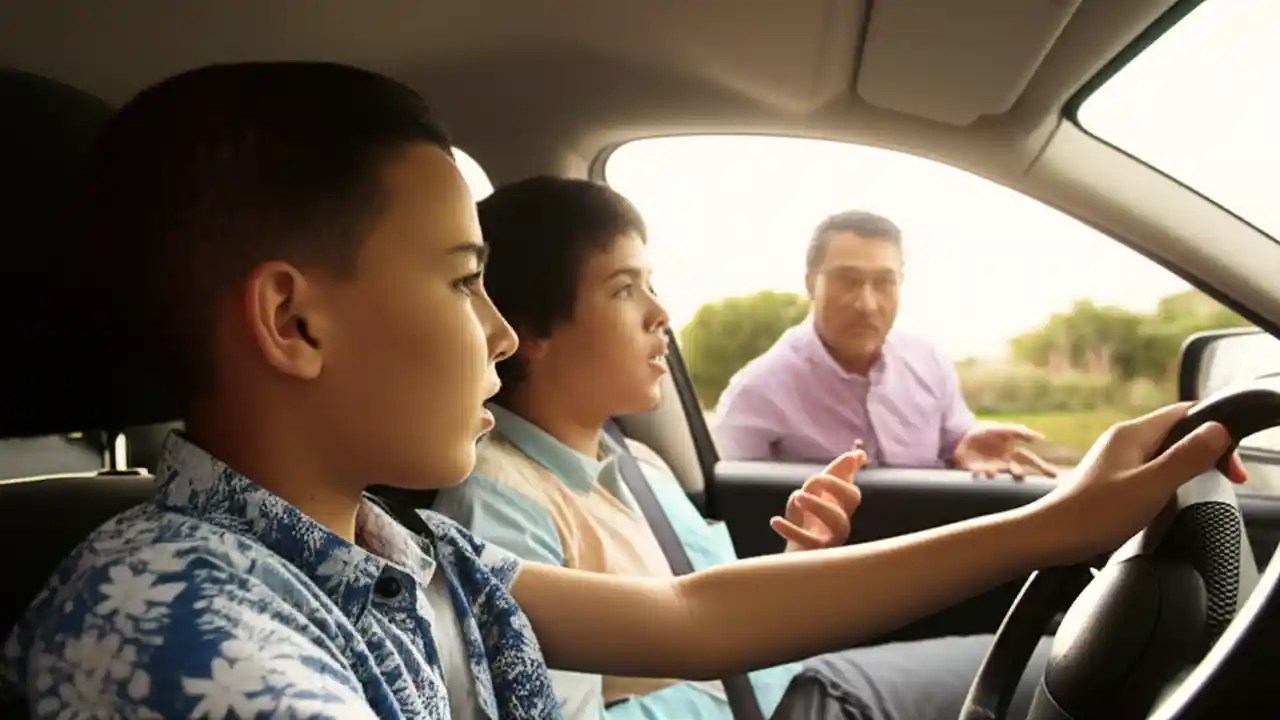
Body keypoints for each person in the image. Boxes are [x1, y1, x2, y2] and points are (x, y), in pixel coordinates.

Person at [0, 62, 1244, 719]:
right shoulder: (166, 624)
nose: (498, 335)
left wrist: (1051, 525)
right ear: (291, 320)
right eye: (459, 283)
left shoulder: (400, 553)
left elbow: (696, 618)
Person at [430, 175, 1046, 720]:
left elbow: (708, 599)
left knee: (1044, 664)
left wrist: (789, 564)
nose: (661, 314)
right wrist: (750, 655)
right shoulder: (499, 504)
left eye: (652, 284)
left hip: (792, 681)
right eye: (624, 290)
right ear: (531, 329)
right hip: (783, 696)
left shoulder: (639, 464)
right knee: (1049, 671)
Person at [714, 211, 1059, 477]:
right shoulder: (755, 393)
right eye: (847, 281)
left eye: (884, 283)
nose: (867, 303)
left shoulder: (930, 363)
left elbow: (955, 447)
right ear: (809, 284)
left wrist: (964, 453)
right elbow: (737, 512)